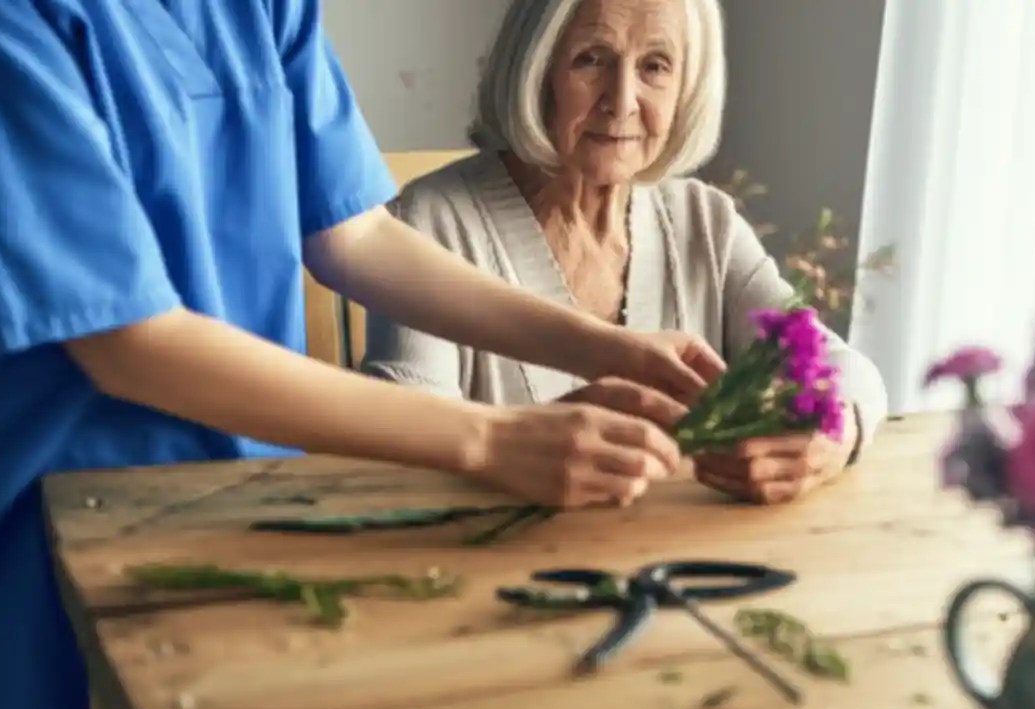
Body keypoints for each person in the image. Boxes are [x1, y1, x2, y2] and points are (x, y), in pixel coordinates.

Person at [0, 1, 726, 709]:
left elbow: (355, 237)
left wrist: (602, 345)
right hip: (60, 515)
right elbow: (130, 345)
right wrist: (495, 437)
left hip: (247, 501)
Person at [361, 0, 889, 506]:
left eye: (655, 66)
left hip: (679, 559)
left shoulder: (706, 221)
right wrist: (521, 444)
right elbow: (403, 434)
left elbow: (838, 364)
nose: (622, 100)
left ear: (686, 88)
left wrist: (834, 430)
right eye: (591, 60)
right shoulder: (430, 219)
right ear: (536, 68)